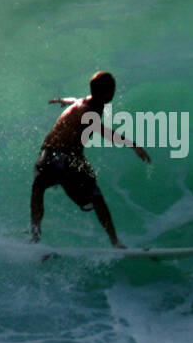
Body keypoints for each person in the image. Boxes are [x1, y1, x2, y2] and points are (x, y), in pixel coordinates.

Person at [30, 71, 150, 248]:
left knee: (38, 189)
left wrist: (63, 100)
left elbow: (74, 100)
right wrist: (134, 145)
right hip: (67, 158)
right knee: (96, 197)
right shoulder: (90, 112)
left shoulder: (82, 102)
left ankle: (34, 236)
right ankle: (115, 242)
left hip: (47, 153)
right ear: (107, 93)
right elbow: (104, 132)